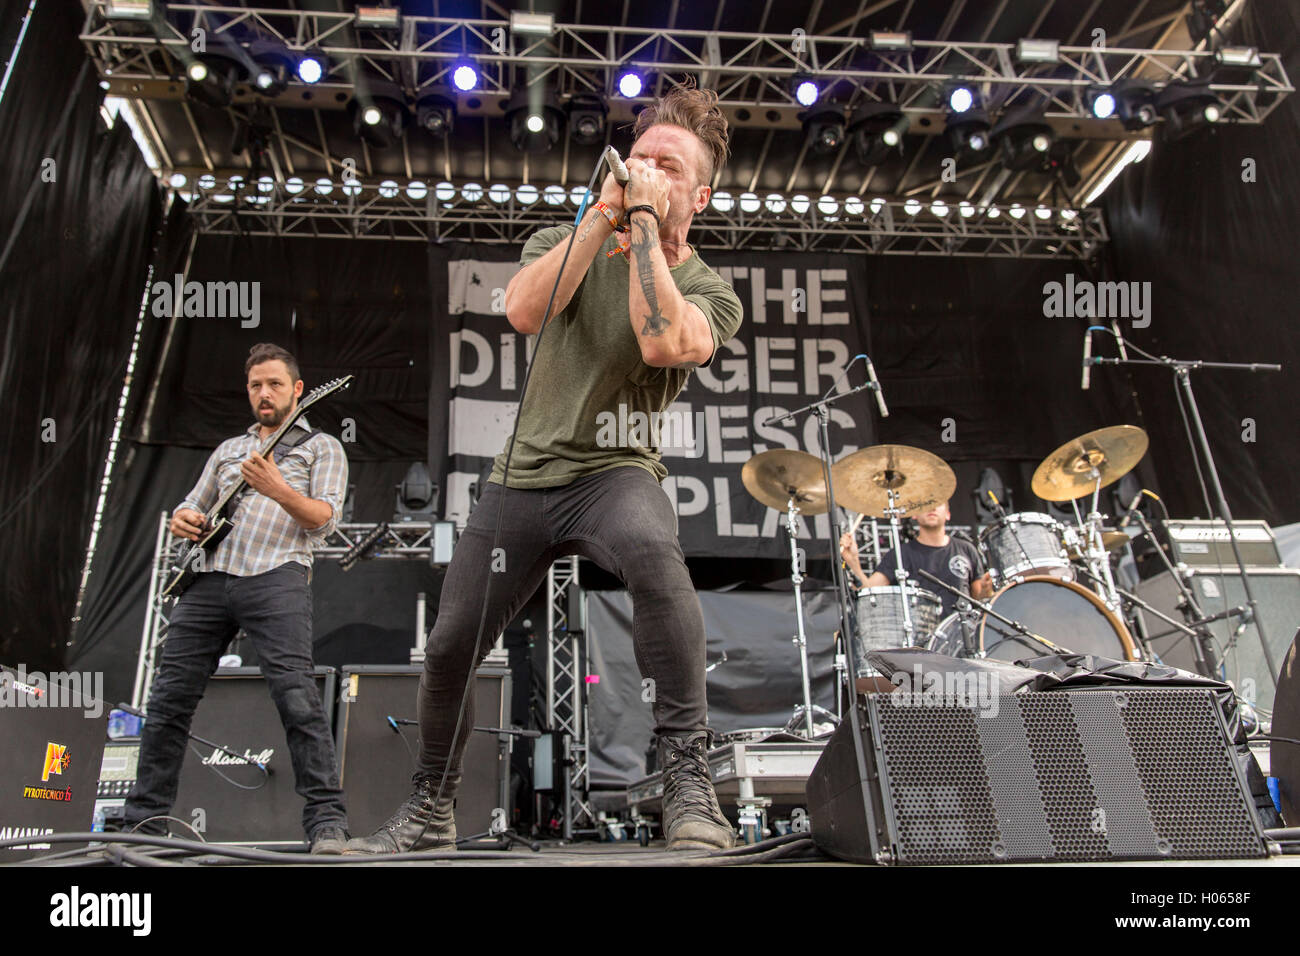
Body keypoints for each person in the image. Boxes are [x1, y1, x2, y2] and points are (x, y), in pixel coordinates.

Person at [347, 82, 744, 854]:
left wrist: (643, 228)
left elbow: (663, 340)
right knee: (454, 638)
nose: (645, 170)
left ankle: (688, 785)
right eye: (638, 158)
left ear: (696, 195)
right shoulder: (572, 237)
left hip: (616, 474)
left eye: (666, 164)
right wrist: (604, 216)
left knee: (656, 560)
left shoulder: (707, 288)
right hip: (522, 477)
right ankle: (430, 807)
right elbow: (524, 309)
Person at [123, 343, 351, 854]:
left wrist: (278, 488)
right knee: (167, 701)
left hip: (277, 576)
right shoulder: (229, 449)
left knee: (297, 698)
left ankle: (328, 825)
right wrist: (185, 519)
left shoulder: (321, 447)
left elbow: (325, 520)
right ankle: (143, 823)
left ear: (297, 389)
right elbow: (192, 504)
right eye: (255, 385)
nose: (263, 393)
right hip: (207, 578)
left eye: (273, 384)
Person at [839, 500, 993, 618]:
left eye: (938, 504)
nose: (932, 508)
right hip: (920, 643)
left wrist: (986, 589)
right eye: (925, 504)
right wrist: (854, 563)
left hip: (962, 637)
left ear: (948, 514)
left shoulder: (966, 549)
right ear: (914, 514)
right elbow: (869, 593)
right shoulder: (900, 554)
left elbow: (978, 596)